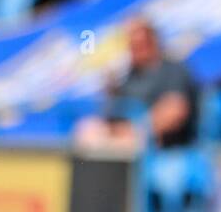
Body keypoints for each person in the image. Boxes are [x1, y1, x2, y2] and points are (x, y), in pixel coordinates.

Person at [76, 17, 197, 149]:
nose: (134, 49)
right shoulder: (129, 74)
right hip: (124, 134)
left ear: (152, 42)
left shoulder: (173, 69)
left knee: (125, 142)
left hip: (157, 142)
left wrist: (137, 128)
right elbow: (113, 111)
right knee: (88, 129)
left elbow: (175, 110)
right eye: (131, 45)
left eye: (139, 44)